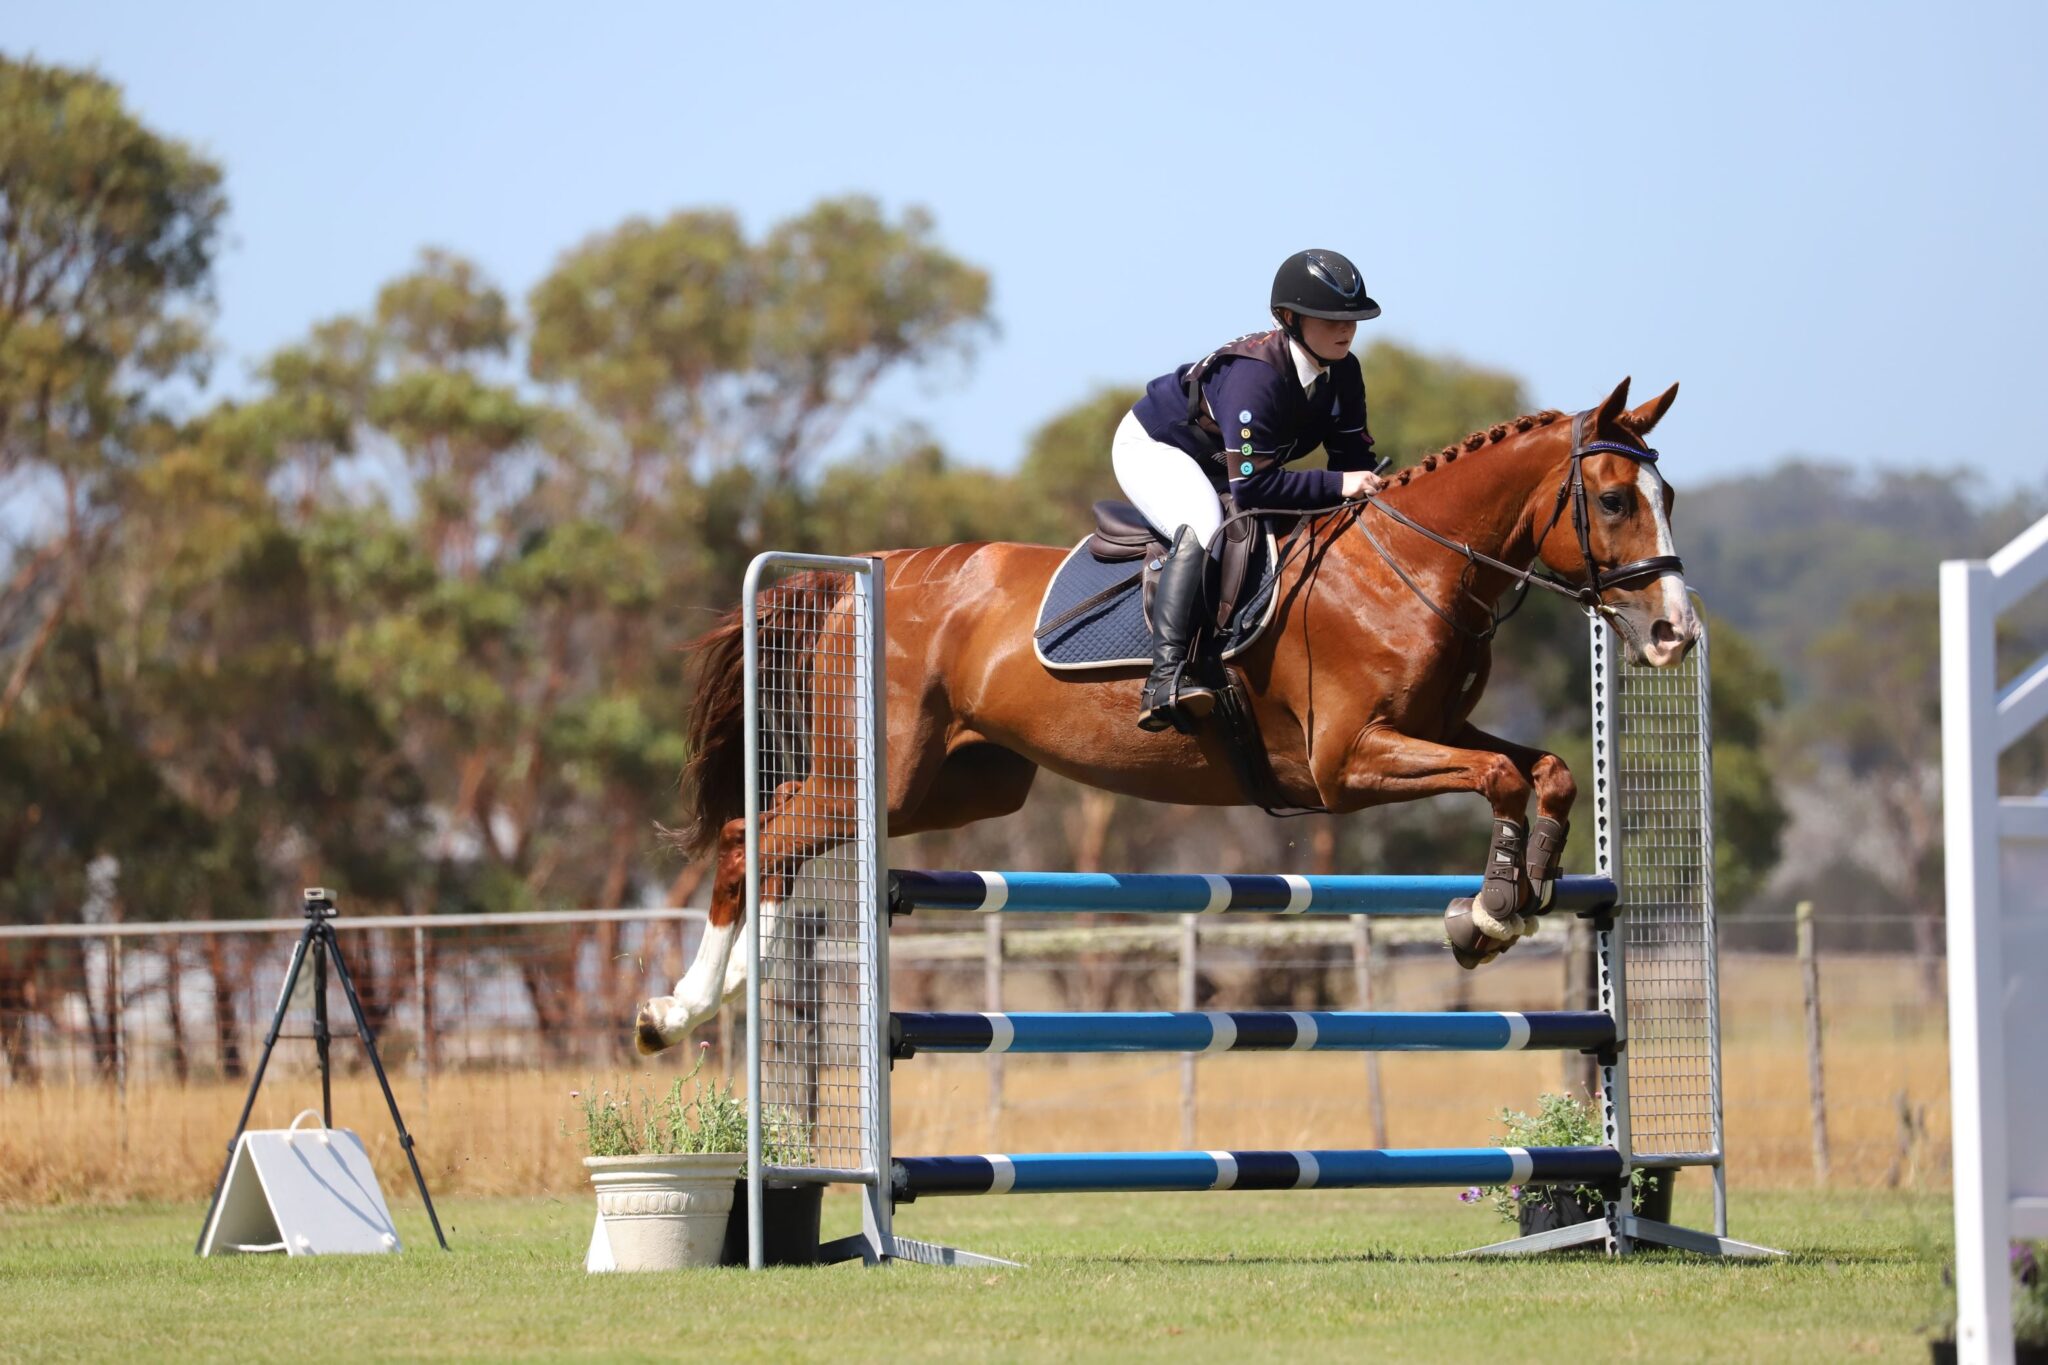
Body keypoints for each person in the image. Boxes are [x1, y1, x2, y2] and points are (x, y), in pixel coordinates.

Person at [1117, 248, 1388, 732]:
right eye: (1330, 319)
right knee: (1202, 522)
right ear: (1289, 318)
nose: (1346, 329)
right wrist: (1337, 483)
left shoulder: (1344, 370)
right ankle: (1165, 680)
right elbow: (1255, 487)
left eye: (1352, 319)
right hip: (1158, 448)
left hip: (1225, 464)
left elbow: (1353, 459)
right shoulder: (1256, 376)